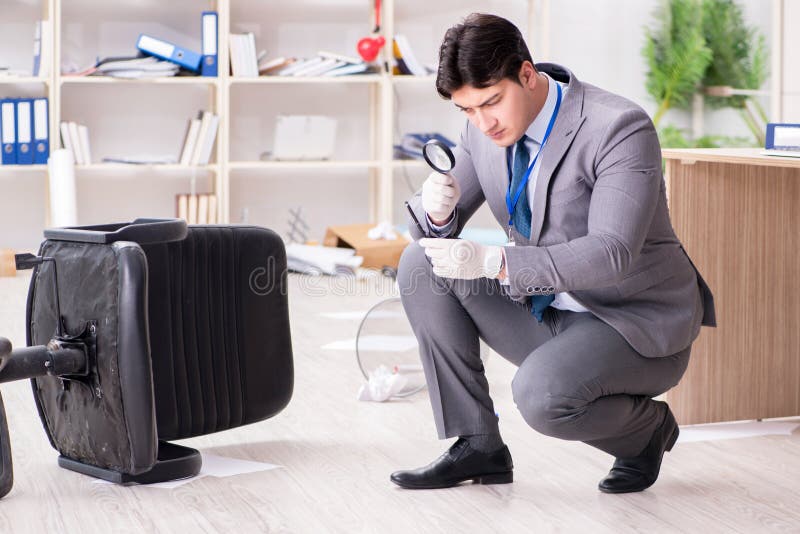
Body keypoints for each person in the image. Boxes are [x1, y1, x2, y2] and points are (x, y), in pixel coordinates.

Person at [391, 13, 716, 493]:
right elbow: (431, 230)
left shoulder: (618, 127)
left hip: (632, 322)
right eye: (467, 110)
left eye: (491, 102)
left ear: (527, 74)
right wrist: (437, 213)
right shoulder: (482, 129)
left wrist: (498, 262)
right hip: (548, 311)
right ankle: (478, 444)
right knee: (419, 265)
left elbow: (612, 252)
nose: (483, 122)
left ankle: (647, 431)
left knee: (541, 397)